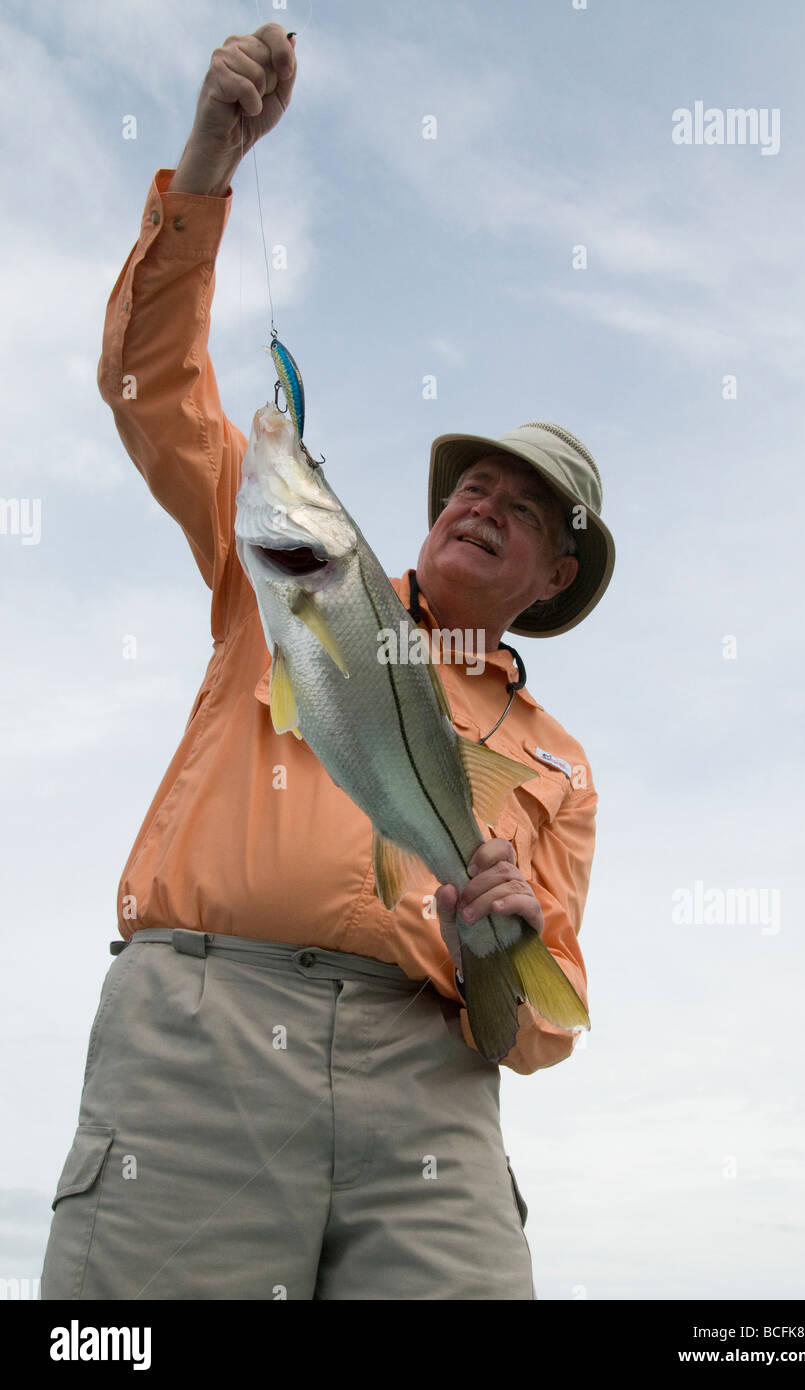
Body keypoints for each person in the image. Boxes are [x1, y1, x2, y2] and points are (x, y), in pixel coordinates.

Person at [39, 25, 615, 1301]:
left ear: (552, 579)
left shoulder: (559, 766)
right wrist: (207, 164)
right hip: (207, 1029)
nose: (479, 504)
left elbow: (536, 1026)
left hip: (432, 1079)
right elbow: (148, 381)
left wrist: (501, 944)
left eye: (518, 511)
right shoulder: (293, 569)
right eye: (467, 483)